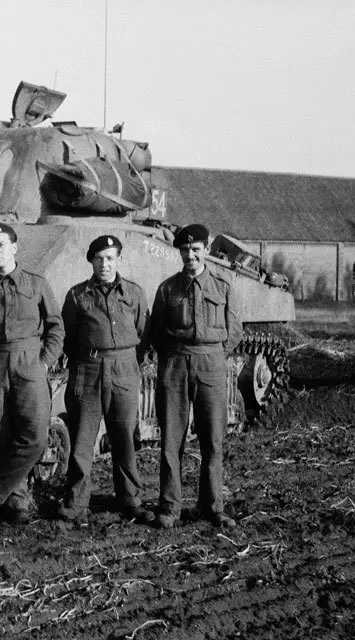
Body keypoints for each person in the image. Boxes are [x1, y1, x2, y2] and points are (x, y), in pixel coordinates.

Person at [0, 223, 64, 524]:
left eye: (1, 244)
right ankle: (16, 501)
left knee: (34, 436)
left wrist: (45, 363)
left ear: (15, 247)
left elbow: (56, 327)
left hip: (29, 361)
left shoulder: (35, 283)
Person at [149, 224, 242, 529]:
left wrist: (211, 354)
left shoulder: (223, 286)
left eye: (196, 249)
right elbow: (157, 333)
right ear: (180, 252)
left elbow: (234, 331)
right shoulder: (167, 289)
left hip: (211, 363)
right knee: (171, 440)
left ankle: (212, 506)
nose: (190, 255)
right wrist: (177, 354)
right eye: (185, 250)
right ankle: (169, 507)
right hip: (175, 363)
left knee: (213, 439)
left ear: (206, 249)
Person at [58, 235, 151, 522]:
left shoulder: (134, 293)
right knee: (83, 439)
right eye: (99, 258)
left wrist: (126, 361)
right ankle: (76, 502)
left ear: (119, 260)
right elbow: (69, 336)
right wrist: (88, 359)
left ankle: (130, 498)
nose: (105, 264)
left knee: (124, 436)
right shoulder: (77, 296)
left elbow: (143, 333)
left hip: (123, 367)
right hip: (88, 368)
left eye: (110, 258)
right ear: (91, 262)